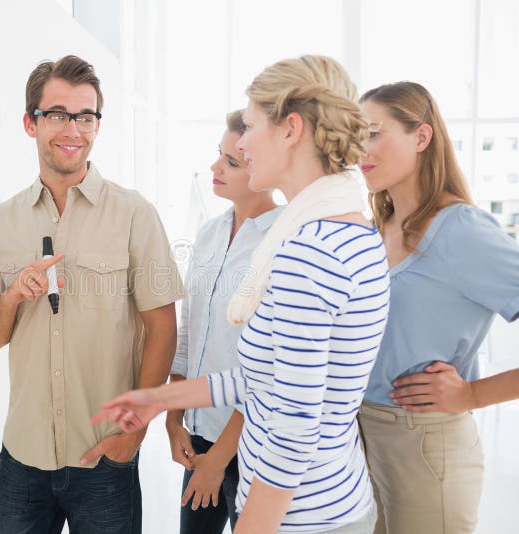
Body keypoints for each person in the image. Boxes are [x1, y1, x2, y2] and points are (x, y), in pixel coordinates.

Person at [94, 55, 390, 534]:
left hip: (300, 520)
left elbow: (294, 431)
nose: (244, 143)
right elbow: (265, 379)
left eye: (250, 127)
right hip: (333, 503)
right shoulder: (348, 231)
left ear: (290, 129)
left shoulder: (307, 254)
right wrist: (160, 398)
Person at [0, 54, 184, 534]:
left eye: (86, 116)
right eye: (59, 114)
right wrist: (10, 300)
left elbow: (163, 331)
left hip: (105, 460)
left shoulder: (135, 215)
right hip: (22, 462)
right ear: (31, 123)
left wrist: (134, 434)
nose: (74, 129)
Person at [357, 81, 519, 534]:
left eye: (373, 133)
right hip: (362, 439)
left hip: (425, 446)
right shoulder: (378, 227)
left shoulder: (461, 231)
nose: (360, 150)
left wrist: (473, 395)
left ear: (422, 137)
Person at [167, 109, 281, 534]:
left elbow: (270, 370)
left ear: (263, 170)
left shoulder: (281, 243)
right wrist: (174, 416)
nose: (215, 167)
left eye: (231, 162)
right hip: (199, 432)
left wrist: (220, 460)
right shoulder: (209, 232)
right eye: (219, 155)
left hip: (249, 443)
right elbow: (188, 330)